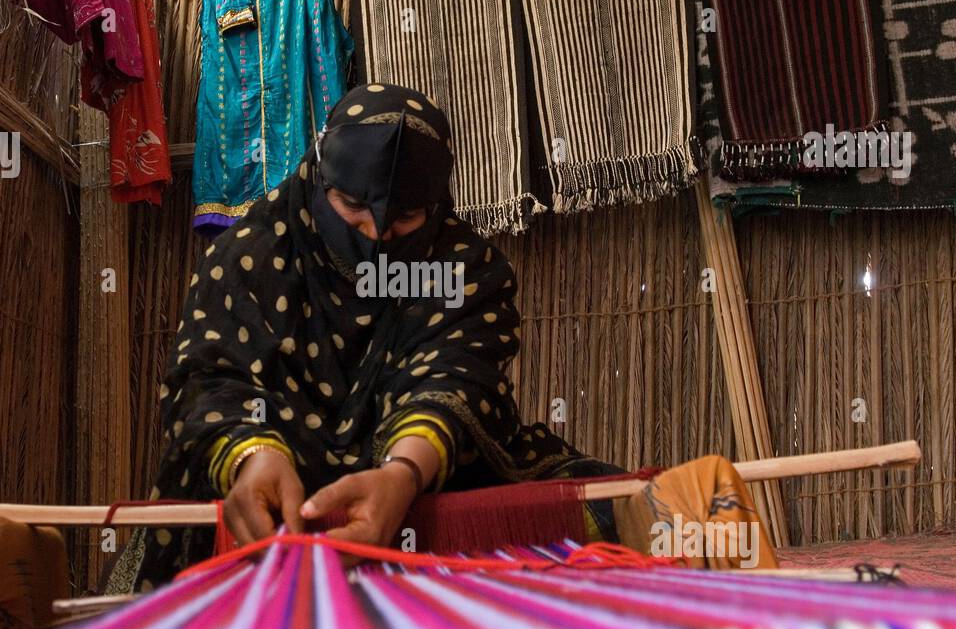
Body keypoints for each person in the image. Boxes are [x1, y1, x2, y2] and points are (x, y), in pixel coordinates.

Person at [106, 84, 775, 594]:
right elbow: (210, 381)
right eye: (352, 210)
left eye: (402, 220)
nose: (373, 235)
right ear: (318, 177)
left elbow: (453, 379)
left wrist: (401, 473)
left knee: (631, 515)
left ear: (436, 207)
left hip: (432, 471)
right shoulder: (250, 255)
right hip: (279, 481)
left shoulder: (463, 267)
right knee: (184, 555)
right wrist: (250, 455)